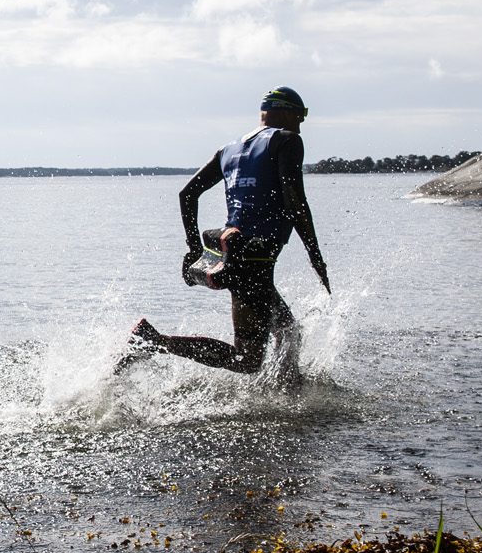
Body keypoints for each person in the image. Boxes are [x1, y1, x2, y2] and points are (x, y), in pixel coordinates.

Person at [121, 86, 330, 382]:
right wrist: (315, 256)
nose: (302, 122)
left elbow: (187, 194)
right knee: (246, 359)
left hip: (236, 251)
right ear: (283, 111)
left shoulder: (229, 149)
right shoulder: (288, 141)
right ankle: (153, 340)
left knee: (288, 331)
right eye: (301, 114)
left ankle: (286, 392)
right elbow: (295, 201)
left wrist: (195, 248)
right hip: (254, 256)